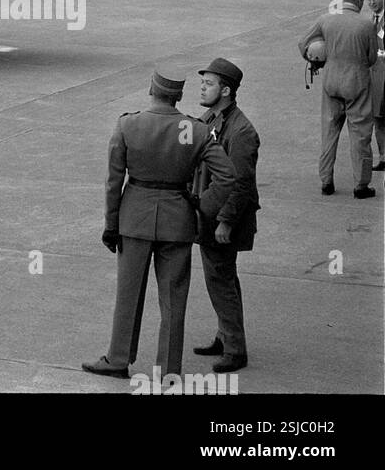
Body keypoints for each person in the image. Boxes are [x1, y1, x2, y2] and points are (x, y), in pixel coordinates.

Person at [82, 68, 236, 381]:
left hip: (134, 219)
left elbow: (114, 182)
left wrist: (111, 224)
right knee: (173, 299)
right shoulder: (195, 129)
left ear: (152, 89)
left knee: (128, 295)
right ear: (179, 95)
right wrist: (202, 206)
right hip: (177, 221)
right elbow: (228, 176)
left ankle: (117, 358)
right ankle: (169, 370)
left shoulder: (128, 124)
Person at [191, 58, 260, 373]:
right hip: (210, 215)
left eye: (209, 84)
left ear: (226, 90)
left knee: (221, 280)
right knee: (222, 279)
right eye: (203, 83)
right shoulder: (211, 117)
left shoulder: (242, 131)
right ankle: (225, 335)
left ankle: (235, 349)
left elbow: (241, 183)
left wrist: (226, 221)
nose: (202, 88)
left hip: (224, 221)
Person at [296, 0, 378, 197]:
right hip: (357, 85)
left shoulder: (326, 19)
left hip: (331, 82)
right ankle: (361, 186)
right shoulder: (366, 25)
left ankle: (326, 182)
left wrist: (316, 59)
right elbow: (371, 59)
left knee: (329, 133)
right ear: (360, 0)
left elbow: (303, 42)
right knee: (360, 135)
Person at [365, 0, 385, 171]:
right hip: (376, 77)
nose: (372, 2)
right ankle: (384, 157)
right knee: (378, 118)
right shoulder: (371, 19)